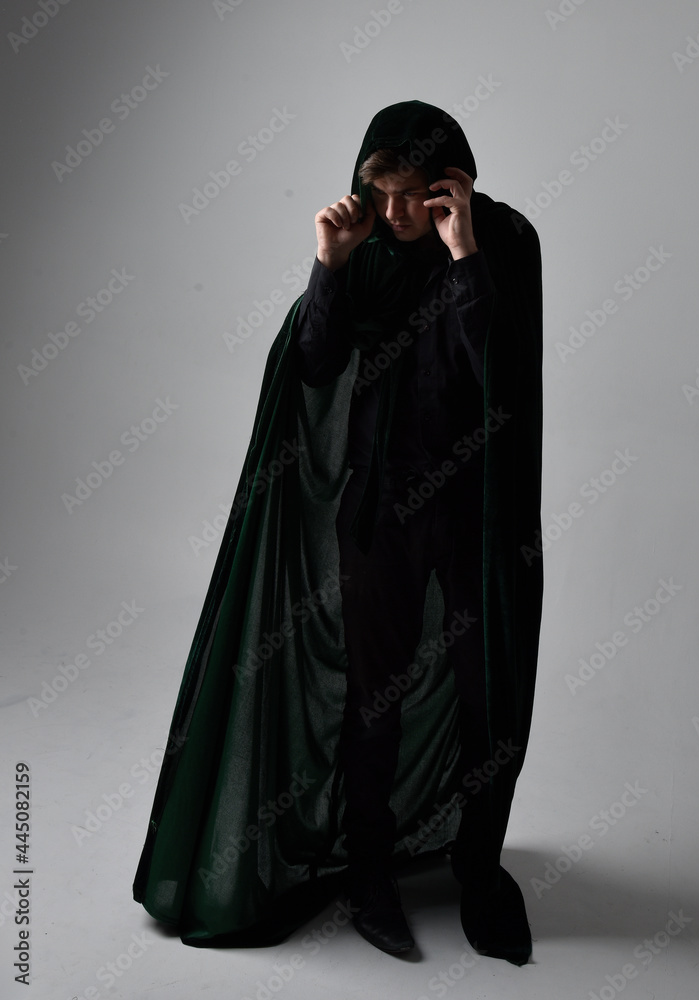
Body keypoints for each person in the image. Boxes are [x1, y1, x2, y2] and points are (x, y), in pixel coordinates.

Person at [132, 100, 543, 968]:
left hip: (477, 519)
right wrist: (329, 265)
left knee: (490, 701)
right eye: (381, 194)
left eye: (412, 195)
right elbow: (314, 367)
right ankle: (367, 875)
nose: (396, 214)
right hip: (380, 516)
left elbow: (499, 368)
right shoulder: (366, 254)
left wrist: (465, 250)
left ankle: (478, 866)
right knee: (373, 705)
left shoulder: (506, 241)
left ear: (451, 183)